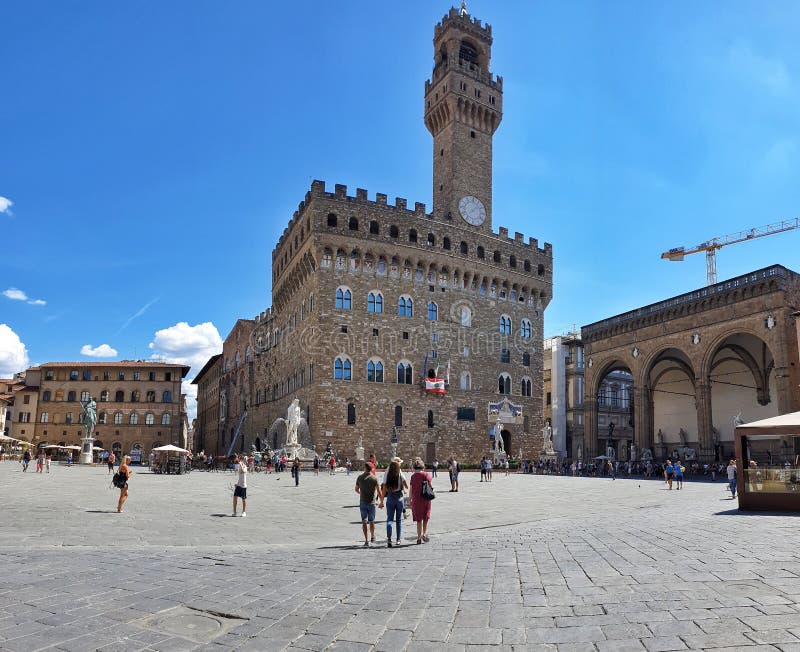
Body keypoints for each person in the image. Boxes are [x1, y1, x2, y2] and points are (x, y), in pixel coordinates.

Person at [379, 457, 408, 547]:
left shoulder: (387, 473)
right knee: (398, 520)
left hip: (390, 497)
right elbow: (406, 485)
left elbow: (384, 487)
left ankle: (389, 539)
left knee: (389, 519)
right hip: (399, 497)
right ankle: (398, 539)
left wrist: (382, 501)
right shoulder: (399, 472)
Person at [409, 457, 433, 544]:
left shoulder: (413, 476)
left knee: (419, 520)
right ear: (423, 466)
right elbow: (430, 486)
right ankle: (424, 534)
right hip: (425, 499)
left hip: (416, 500)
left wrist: (409, 500)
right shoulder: (426, 475)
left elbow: (411, 489)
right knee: (425, 518)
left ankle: (418, 538)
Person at [355, 463, 379, 546]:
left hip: (363, 502)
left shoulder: (360, 477)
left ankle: (366, 540)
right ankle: (372, 536)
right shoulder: (374, 478)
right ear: (371, 469)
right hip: (372, 503)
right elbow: (378, 491)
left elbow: (356, 489)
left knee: (364, 521)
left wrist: (361, 493)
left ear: (365, 468)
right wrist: (381, 501)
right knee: (372, 521)